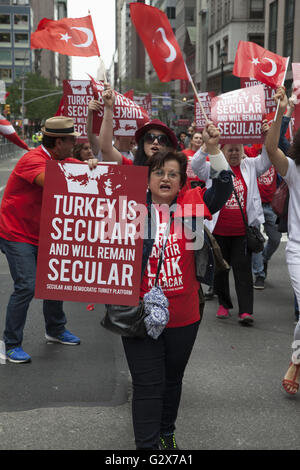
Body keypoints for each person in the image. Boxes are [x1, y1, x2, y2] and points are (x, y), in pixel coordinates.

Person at [121, 122, 233, 450]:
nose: (165, 178)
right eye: (159, 172)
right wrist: (94, 175)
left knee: (171, 380)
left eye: (173, 173)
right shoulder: (129, 209)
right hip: (137, 312)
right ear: (147, 177)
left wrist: (214, 149)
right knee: (146, 383)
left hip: (183, 315)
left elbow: (224, 188)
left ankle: (167, 431)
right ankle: (147, 448)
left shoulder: (191, 205)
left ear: (182, 181)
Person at [0, 116, 98, 363]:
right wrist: (85, 170)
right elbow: (53, 181)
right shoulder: (32, 160)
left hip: (44, 233)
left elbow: (83, 170)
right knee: (27, 285)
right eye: (71, 140)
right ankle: (10, 344)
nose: (75, 143)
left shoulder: (62, 159)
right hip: (16, 232)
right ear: (58, 142)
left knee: (55, 279)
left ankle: (55, 330)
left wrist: (93, 165)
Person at [191, 121, 272, 325]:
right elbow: (196, 165)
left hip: (242, 232)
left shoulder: (251, 166)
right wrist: (206, 145)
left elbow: (268, 159)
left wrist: (266, 137)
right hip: (218, 230)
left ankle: (245, 311)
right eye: (230, 150)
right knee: (220, 269)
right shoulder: (214, 167)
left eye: (237, 150)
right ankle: (224, 304)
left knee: (242, 271)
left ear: (243, 152)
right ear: (223, 151)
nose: (234, 153)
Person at [264, 87, 300, 394]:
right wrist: (280, 111)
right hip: (299, 252)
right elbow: (272, 147)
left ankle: (297, 360)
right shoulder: (294, 170)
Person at [99, 84, 179, 166]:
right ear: (142, 143)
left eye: (162, 139)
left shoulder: (173, 174)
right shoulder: (132, 167)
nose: (155, 142)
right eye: (149, 137)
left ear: (168, 147)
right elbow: (106, 149)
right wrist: (109, 108)